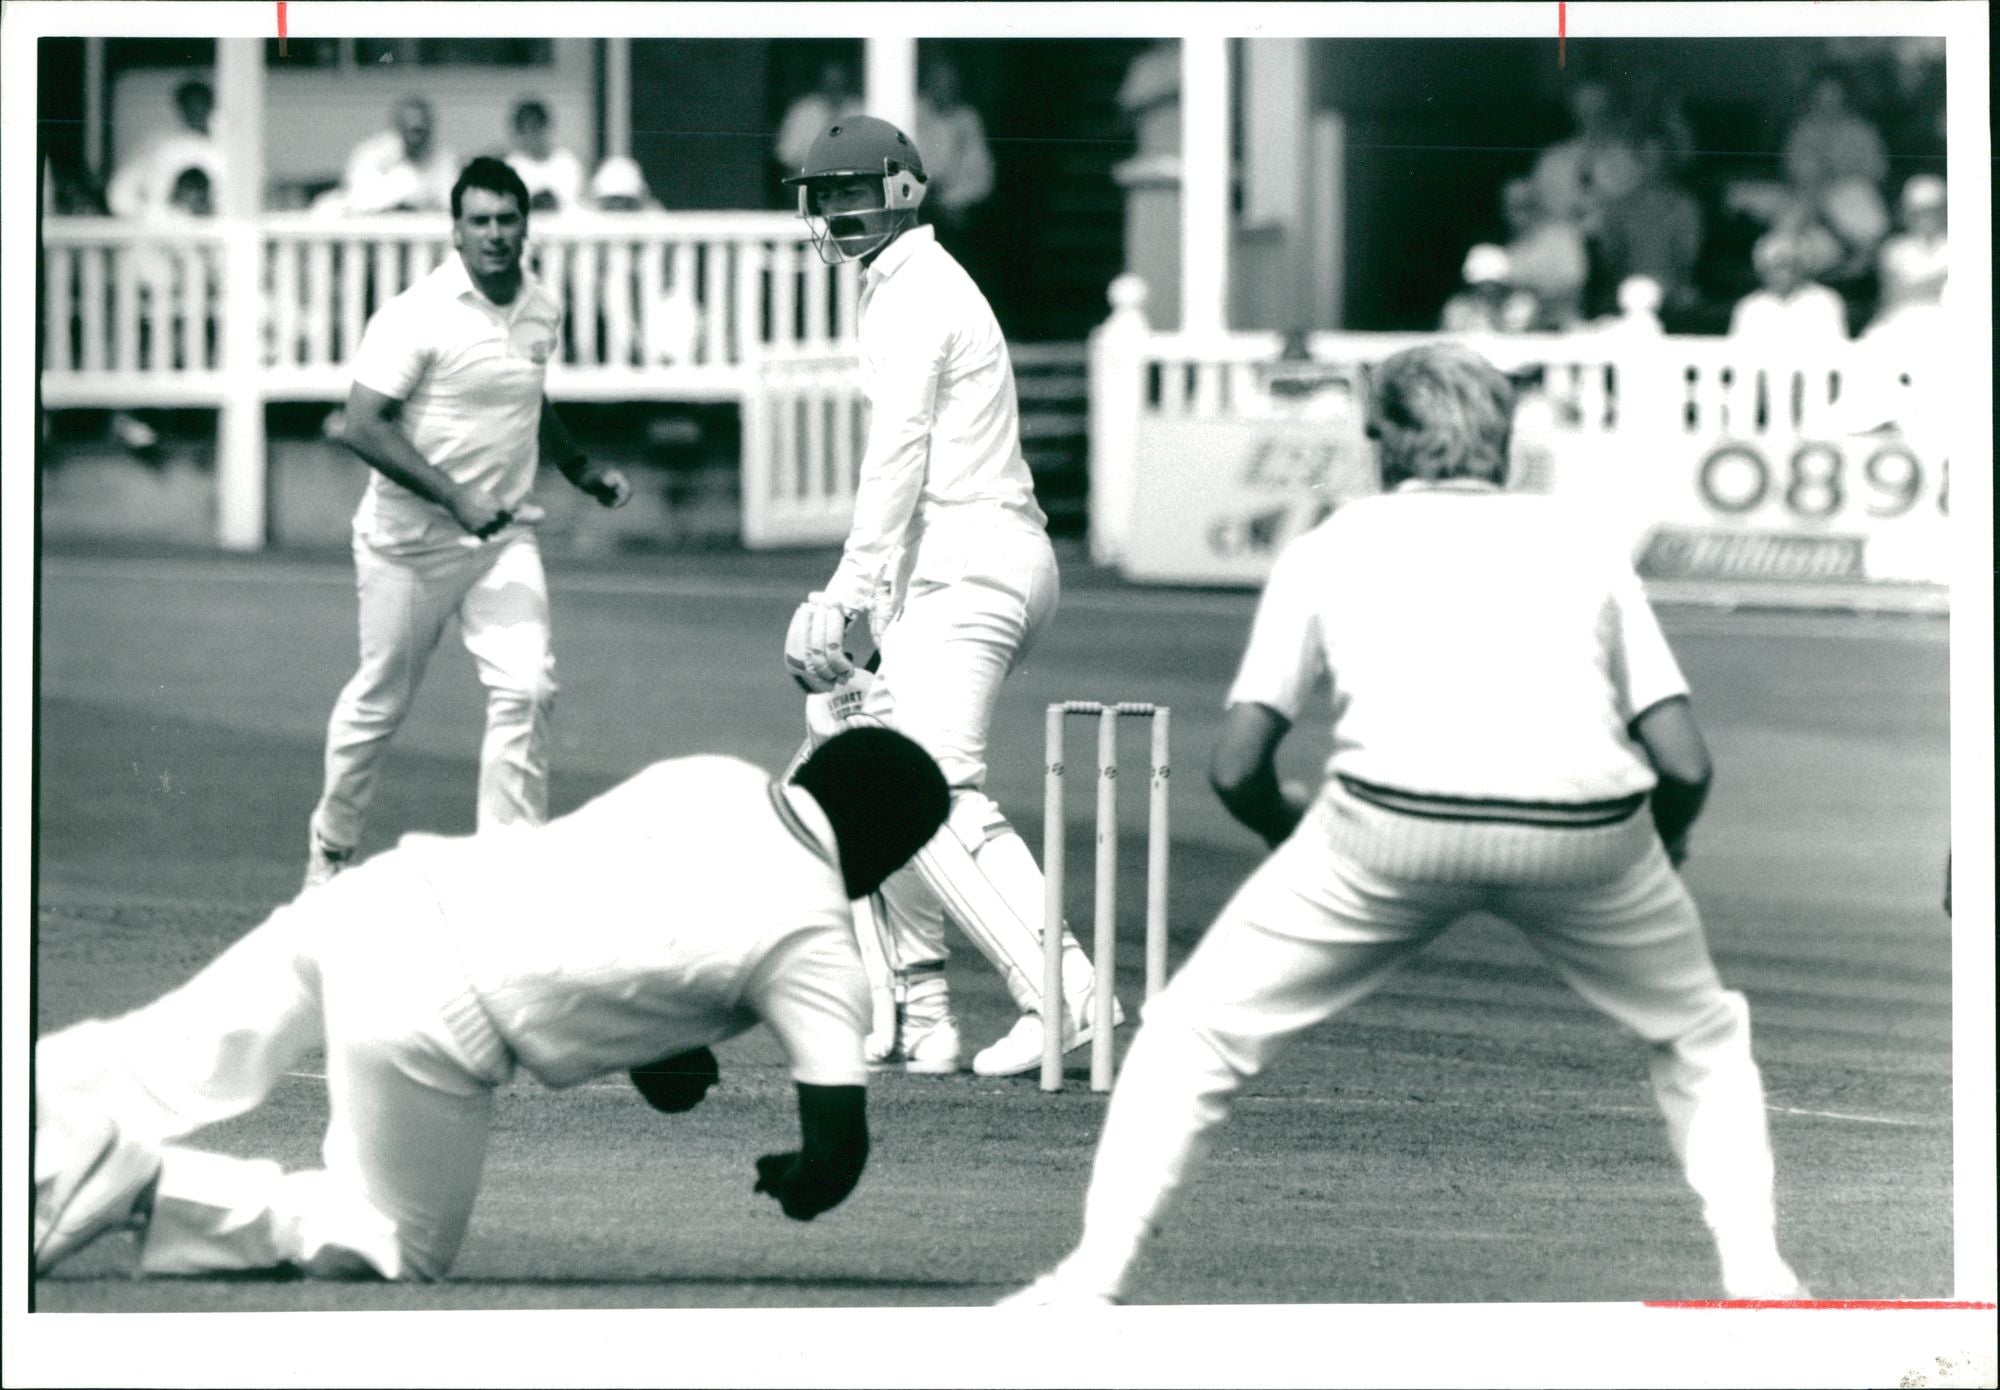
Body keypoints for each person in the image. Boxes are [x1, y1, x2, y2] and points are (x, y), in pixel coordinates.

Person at [1002, 343, 1810, 1306]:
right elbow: (1686, 763)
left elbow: (1236, 768)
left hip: (1387, 825)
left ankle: (1091, 1278)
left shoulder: (1333, 545)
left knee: (1190, 1033)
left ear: (1383, 443)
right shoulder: (1580, 543)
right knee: (1701, 1037)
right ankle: (1760, 1276)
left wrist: (1288, 838)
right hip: (1591, 829)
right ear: (1500, 444)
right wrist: (1656, 850)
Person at [32, 728, 951, 1282]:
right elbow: (837, 1154)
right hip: (440, 1008)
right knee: (391, 1244)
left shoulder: (712, 775)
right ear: (884, 847)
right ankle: (145, 1185)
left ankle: (38, 1122)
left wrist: (666, 1045)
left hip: (388, 890)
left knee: (163, 1058)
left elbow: (615, 926)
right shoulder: (818, 942)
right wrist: (796, 1177)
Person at [779, 115, 1115, 1078]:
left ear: (903, 190)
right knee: (843, 764)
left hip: (976, 563)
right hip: (963, 564)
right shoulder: (892, 287)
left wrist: (845, 592)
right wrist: (873, 616)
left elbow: (899, 460)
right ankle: (916, 1012)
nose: (839, 215)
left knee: (923, 787)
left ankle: (1069, 996)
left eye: (855, 194)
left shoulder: (916, 292)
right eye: (825, 199)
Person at [303, 157, 633, 890]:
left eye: (507, 219)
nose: (494, 234)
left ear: (525, 226)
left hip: (502, 540)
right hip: (406, 547)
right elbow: (361, 425)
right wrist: (455, 498)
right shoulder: (414, 314)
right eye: (479, 221)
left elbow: (526, 397)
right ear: (456, 231)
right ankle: (329, 852)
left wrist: (579, 468)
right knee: (379, 704)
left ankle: (507, 879)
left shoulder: (543, 307)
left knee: (528, 690)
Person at [1594, 130, 1704, 317]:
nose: (1654, 165)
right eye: (1646, 158)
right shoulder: (1619, 207)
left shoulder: (1684, 206)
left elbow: (1687, 258)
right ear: (1638, 161)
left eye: (1659, 157)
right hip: (1626, 292)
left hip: (1673, 295)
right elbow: (1611, 258)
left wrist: (1668, 288)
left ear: (1668, 161)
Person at [105, 78, 223, 220]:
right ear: (181, 107)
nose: (197, 110)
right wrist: (157, 217)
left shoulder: (228, 149)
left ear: (211, 104)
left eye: (202, 102)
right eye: (190, 104)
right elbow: (119, 196)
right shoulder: (158, 145)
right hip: (164, 232)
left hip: (215, 231)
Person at [913, 56, 995, 257]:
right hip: (918, 207)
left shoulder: (968, 119)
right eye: (936, 81)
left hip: (953, 211)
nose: (942, 87)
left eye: (948, 82)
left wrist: (949, 202)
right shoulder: (914, 113)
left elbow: (981, 177)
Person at [333, 96, 460, 215]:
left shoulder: (445, 160)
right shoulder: (370, 155)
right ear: (397, 127)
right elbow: (356, 199)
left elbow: (452, 204)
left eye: (421, 130)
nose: (416, 137)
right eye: (410, 128)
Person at [1727, 228, 1849, 346]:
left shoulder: (1825, 301)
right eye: (1778, 264)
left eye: (1791, 263)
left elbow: (1836, 354)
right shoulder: (1749, 308)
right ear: (1763, 268)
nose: (1785, 272)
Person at [773, 59, 862, 197]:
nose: (834, 87)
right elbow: (786, 156)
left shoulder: (859, 110)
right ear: (821, 82)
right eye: (829, 82)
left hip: (853, 185)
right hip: (810, 184)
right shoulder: (802, 110)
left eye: (838, 82)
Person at [503, 98, 585, 214]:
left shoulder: (567, 162)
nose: (532, 135)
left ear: (546, 127)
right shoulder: (511, 166)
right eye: (525, 130)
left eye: (535, 127)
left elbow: (572, 202)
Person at [1438, 244, 1535, 335]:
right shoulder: (1457, 308)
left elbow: (1522, 335)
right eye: (1481, 285)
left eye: (1494, 285)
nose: (1488, 291)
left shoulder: (1520, 305)